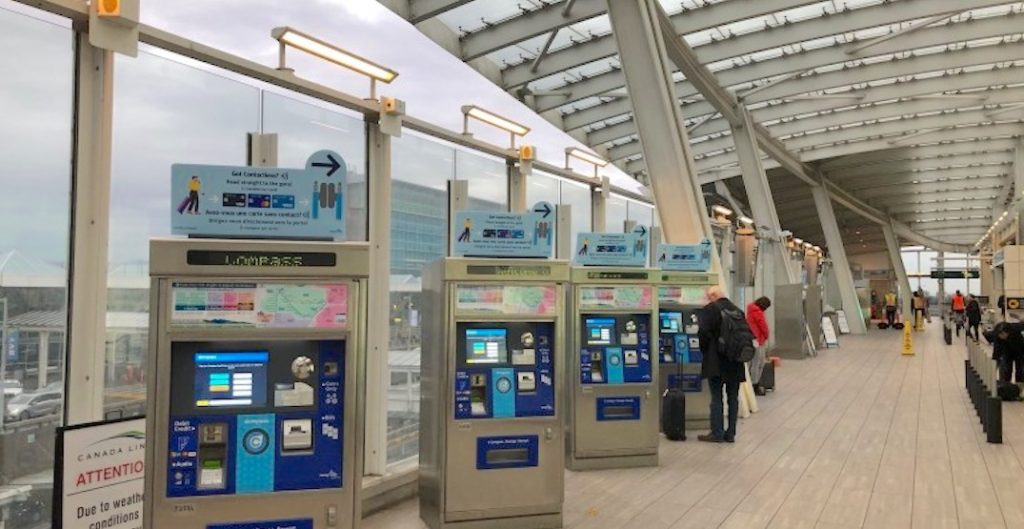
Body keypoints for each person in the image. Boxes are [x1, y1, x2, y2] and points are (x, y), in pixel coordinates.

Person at [696, 286, 747, 443]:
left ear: (713, 296)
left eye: (708, 296)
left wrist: (706, 351)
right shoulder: (737, 310)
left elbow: (703, 333)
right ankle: (730, 433)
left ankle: (716, 433)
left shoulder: (710, 309)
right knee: (733, 397)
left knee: (716, 398)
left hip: (716, 361)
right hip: (736, 361)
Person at [746, 297, 771, 396]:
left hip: (752, 339)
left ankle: (751, 383)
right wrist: (766, 335)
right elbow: (763, 326)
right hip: (758, 340)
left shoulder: (750, 310)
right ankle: (754, 385)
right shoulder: (757, 312)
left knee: (752, 363)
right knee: (758, 363)